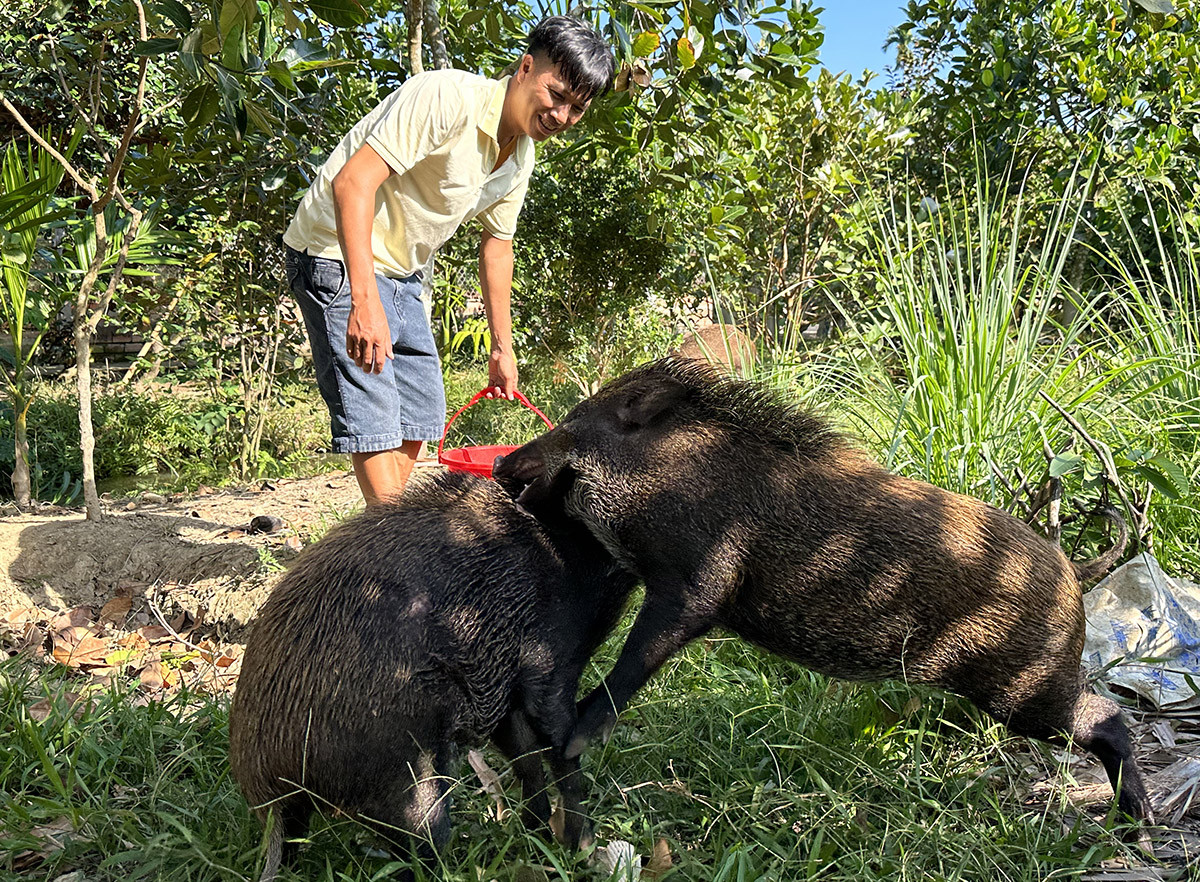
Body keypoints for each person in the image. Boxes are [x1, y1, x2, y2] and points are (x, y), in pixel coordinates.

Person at [283, 16, 614, 505]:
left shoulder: (520, 153)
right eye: (557, 95)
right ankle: (390, 549)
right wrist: (363, 300)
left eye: (576, 109)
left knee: (421, 408)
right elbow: (352, 182)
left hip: (404, 270)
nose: (562, 116)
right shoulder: (445, 98)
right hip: (335, 252)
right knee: (373, 416)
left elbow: (497, 244)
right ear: (526, 68)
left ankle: (386, 534)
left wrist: (502, 348)